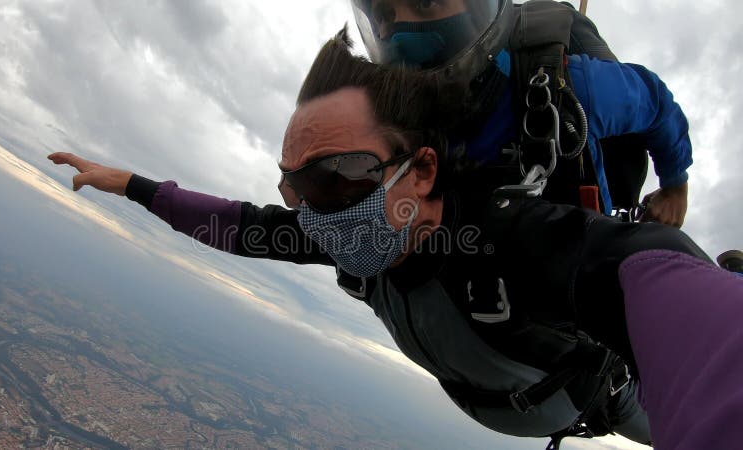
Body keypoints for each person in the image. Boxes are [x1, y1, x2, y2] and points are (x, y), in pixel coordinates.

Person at [48, 25, 715, 446]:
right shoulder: (347, 233)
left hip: (597, 395)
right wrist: (131, 184)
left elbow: (640, 275)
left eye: (342, 176)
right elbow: (237, 226)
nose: (315, 209)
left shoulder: (503, 239)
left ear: (423, 170)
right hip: (510, 398)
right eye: (299, 187)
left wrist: (708, 284)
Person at [349, 0, 691, 226]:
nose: (393, 31)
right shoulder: (394, 128)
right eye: (382, 14)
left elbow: (657, 102)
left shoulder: (570, 86)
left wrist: (675, 187)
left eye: (425, 1)